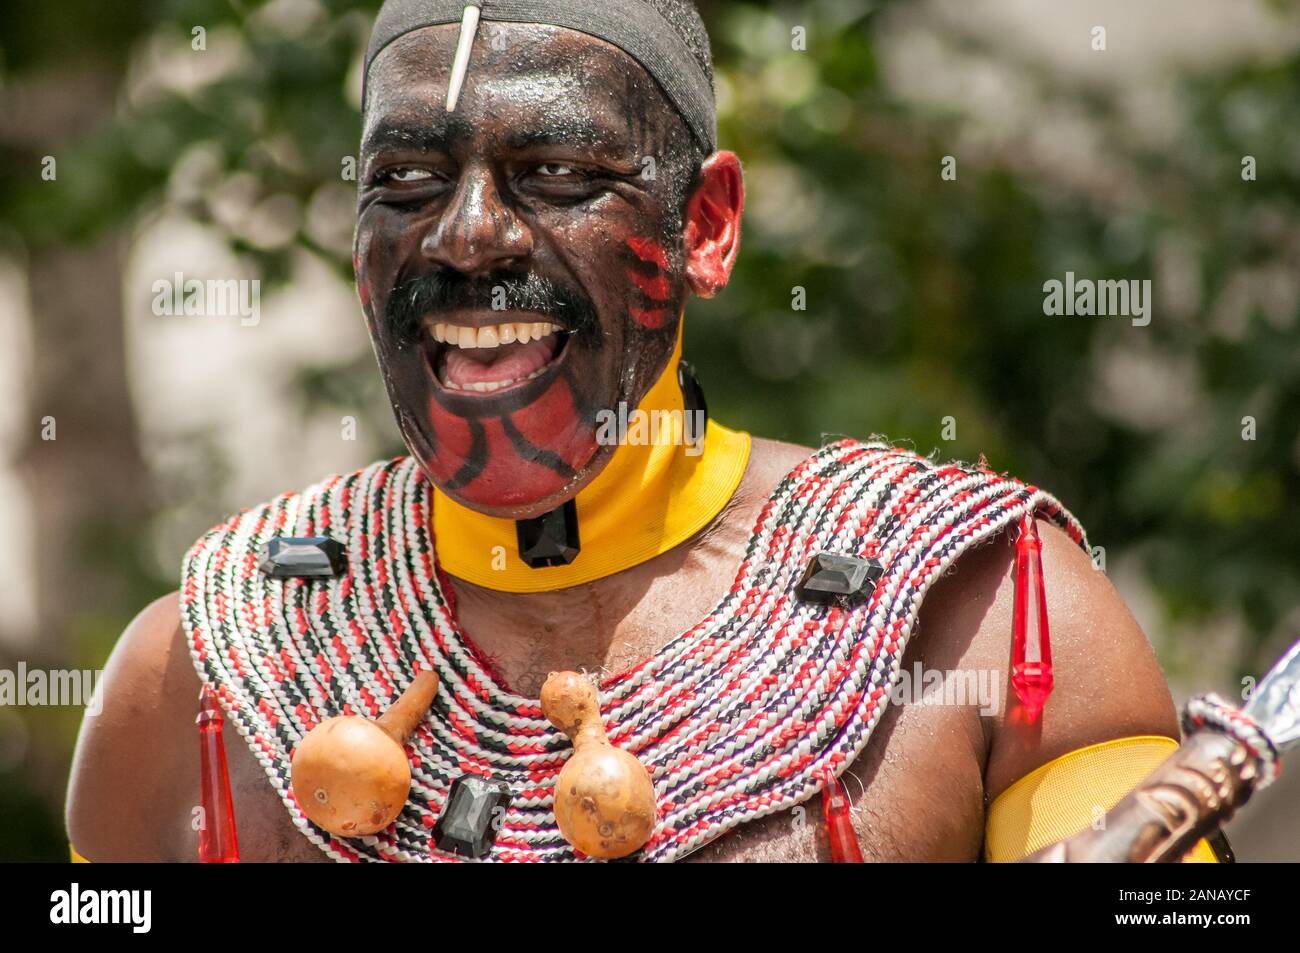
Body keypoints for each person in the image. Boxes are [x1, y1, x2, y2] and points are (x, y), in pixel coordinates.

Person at [65, 0, 1222, 863]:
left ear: (705, 225)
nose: (467, 238)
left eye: (556, 173)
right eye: (408, 181)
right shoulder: (203, 668)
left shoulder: (990, 615)